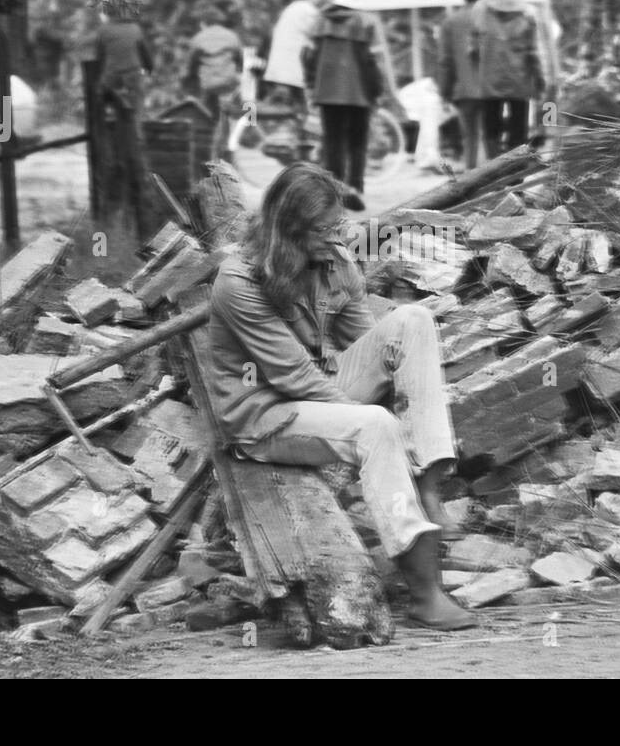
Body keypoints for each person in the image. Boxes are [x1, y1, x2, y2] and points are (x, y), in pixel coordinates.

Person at [204, 163, 477, 630]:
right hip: (263, 417)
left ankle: (430, 486)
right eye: (323, 228)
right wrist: (372, 418)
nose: (335, 237)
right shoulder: (240, 283)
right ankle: (422, 589)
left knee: (412, 321)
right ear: (288, 228)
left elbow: (374, 347)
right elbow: (292, 376)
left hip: (317, 394)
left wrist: (397, 398)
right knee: (376, 427)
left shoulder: (334, 261)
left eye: (338, 225)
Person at [302, 0, 390, 195]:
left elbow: (308, 56)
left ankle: (335, 190)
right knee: (358, 141)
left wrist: (312, 84)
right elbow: (377, 60)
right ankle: (356, 187)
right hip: (360, 90)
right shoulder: (368, 20)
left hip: (327, 89)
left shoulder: (321, 18)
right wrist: (379, 90)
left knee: (333, 141)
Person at [469, 0, 544, 160]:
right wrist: (539, 78)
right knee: (518, 131)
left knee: (491, 130)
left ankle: (493, 174)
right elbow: (533, 52)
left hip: (489, 80)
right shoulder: (528, 12)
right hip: (520, 81)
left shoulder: (480, 9)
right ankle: (516, 178)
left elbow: (473, 48)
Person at [93, 2, 154, 239]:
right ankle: (133, 134)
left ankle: (110, 124)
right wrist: (148, 69)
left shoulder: (104, 31)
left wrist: (99, 84)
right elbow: (147, 60)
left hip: (111, 81)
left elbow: (99, 60)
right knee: (133, 119)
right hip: (131, 80)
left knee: (110, 115)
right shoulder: (135, 30)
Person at [437, 0, 487, 170]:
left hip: (463, 90)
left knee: (470, 137)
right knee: (488, 135)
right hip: (490, 88)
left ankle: (471, 176)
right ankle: (490, 177)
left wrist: (444, 92)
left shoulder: (450, 22)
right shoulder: (490, 18)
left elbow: (445, 61)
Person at [186, 4, 244, 163]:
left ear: (204, 22)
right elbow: (240, 61)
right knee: (227, 113)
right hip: (228, 84)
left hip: (208, 85)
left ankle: (207, 152)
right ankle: (226, 147)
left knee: (206, 116)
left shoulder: (198, 38)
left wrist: (190, 81)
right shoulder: (232, 36)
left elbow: (190, 66)